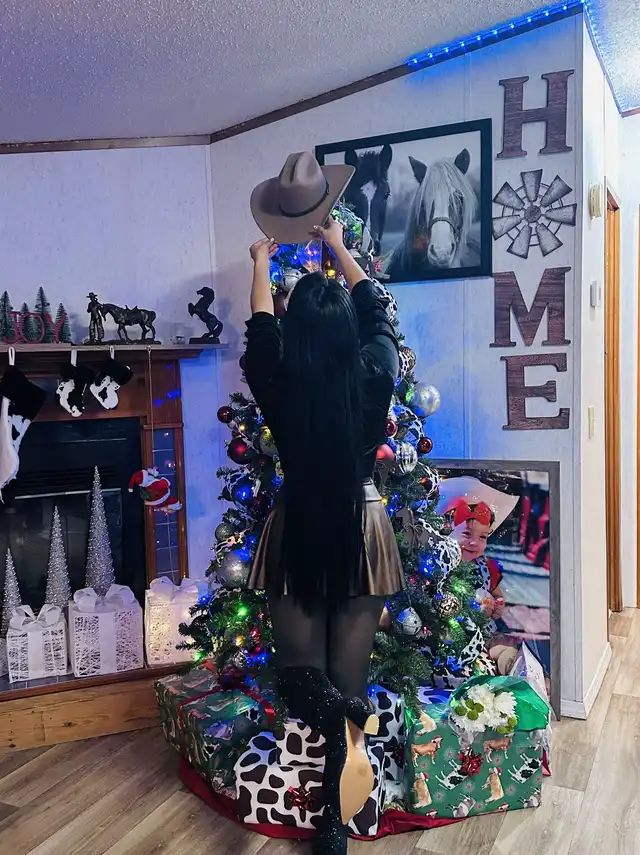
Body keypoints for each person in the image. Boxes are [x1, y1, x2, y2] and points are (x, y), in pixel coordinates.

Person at [244, 215, 403, 852]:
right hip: (363, 524)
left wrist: (262, 261)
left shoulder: (277, 378)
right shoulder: (376, 370)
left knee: (299, 676)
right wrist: (338, 245)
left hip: (298, 525)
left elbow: (261, 330)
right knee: (348, 680)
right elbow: (378, 310)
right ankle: (335, 823)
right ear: (346, 332)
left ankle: (340, 722)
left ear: (297, 333)